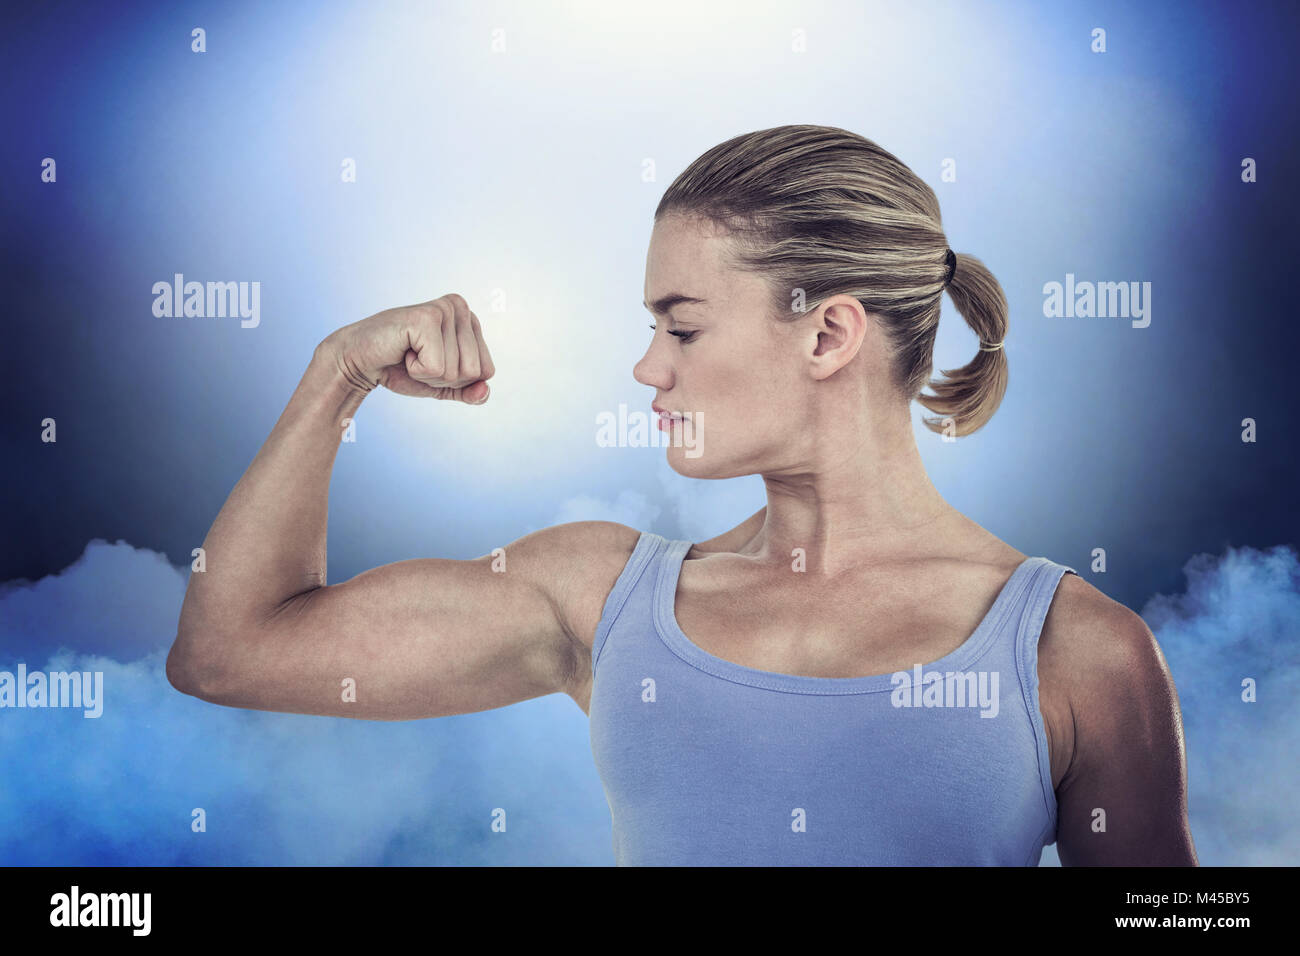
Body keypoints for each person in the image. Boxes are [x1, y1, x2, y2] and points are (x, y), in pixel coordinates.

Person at [167, 124, 1197, 866]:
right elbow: (228, 652)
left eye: (683, 326)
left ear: (828, 333)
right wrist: (336, 373)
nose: (647, 368)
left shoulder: (1074, 649)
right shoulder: (598, 594)